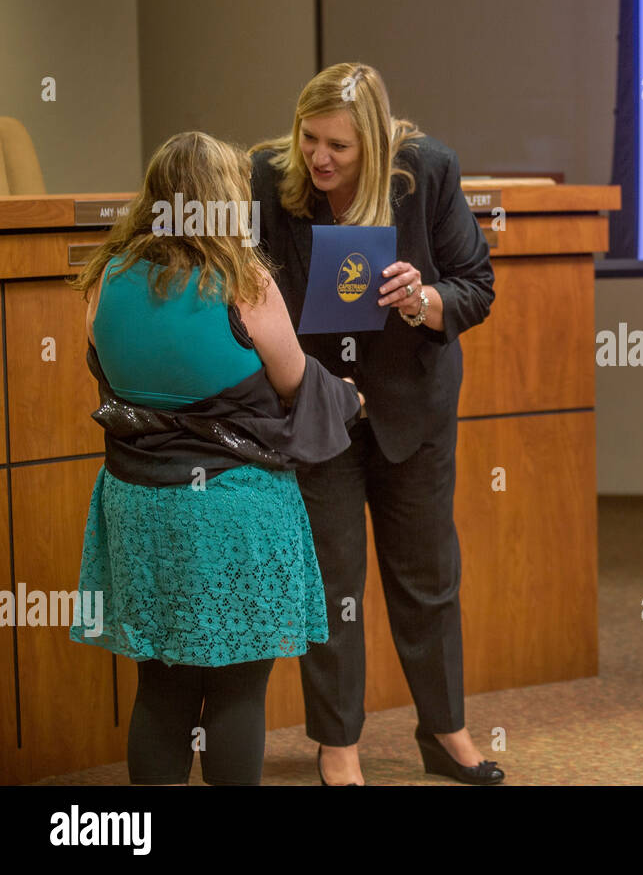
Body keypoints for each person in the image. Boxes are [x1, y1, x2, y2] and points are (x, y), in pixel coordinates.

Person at [69, 131, 361, 785]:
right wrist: (347, 397)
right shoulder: (243, 281)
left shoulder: (104, 279)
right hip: (232, 510)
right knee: (235, 690)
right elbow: (292, 382)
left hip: (140, 508)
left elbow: (114, 384)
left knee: (162, 691)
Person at [251, 63, 499, 785]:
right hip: (318, 405)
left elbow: (476, 287)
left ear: (379, 144)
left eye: (340, 147)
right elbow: (245, 284)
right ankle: (339, 746)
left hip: (411, 406)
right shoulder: (269, 179)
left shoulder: (429, 172)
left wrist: (422, 298)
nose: (320, 159)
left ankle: (447, 731)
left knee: (428, 577)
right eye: (309, 140)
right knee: (334, 585)